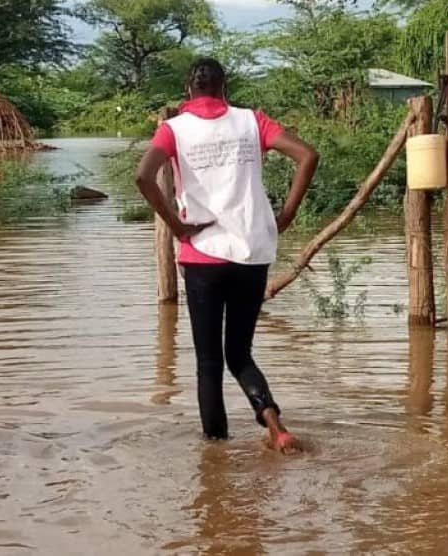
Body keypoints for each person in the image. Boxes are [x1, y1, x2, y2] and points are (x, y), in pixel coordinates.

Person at [135, 58, 319, 454]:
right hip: (252, 253)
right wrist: (284, 214)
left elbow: (143, 176)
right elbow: (307, 156)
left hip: (202, 256)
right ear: (225, 88)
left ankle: (215, 453)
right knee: (239, 351)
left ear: (188, 90)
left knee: (208, 361)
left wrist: (177, 226)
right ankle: (273, 421)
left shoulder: (174, 129)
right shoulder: (252, 121)